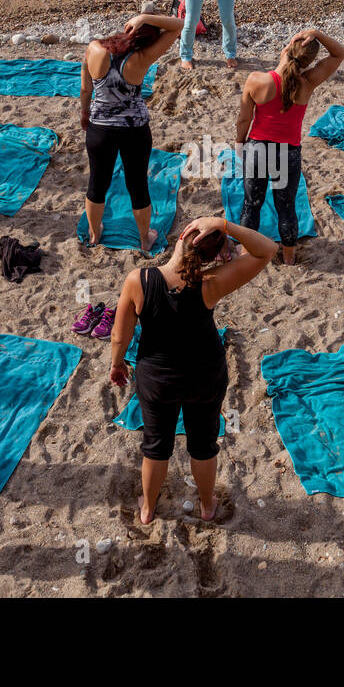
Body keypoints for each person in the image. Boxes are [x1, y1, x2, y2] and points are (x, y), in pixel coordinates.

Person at [109, 216, 276, 524]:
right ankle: (208, 506)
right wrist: (225, 224)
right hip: (204, 374)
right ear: (213, 256)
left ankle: (147, 509)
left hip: (158, 377)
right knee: (203, 442)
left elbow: (120, 336)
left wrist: (117, 363)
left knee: (156, 444)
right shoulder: (211, 284)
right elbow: (266, 250)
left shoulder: (139, 280)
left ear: (182, 236)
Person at [234, 27, 344, 264]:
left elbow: (244, 119)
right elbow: (339, 54)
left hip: (258, 150)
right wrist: (317, 33)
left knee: (251, 204)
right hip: (287, 154)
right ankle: (289, 258)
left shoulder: (257, 80)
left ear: (286, 48)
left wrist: (239, 143)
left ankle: (246, 254)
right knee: (286, 208)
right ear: (308, 61)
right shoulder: (307, 82)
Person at [79, 12, 183, 255]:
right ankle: (145, 239)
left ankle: (95, 234)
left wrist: (85, 112)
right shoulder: (142, 58)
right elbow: (179, 25)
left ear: (128, 30)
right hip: (133, 130)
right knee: (137, 186)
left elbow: (85, 88)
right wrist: (146, 17)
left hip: (99, 128)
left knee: (97, 183)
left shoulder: (94, 48)